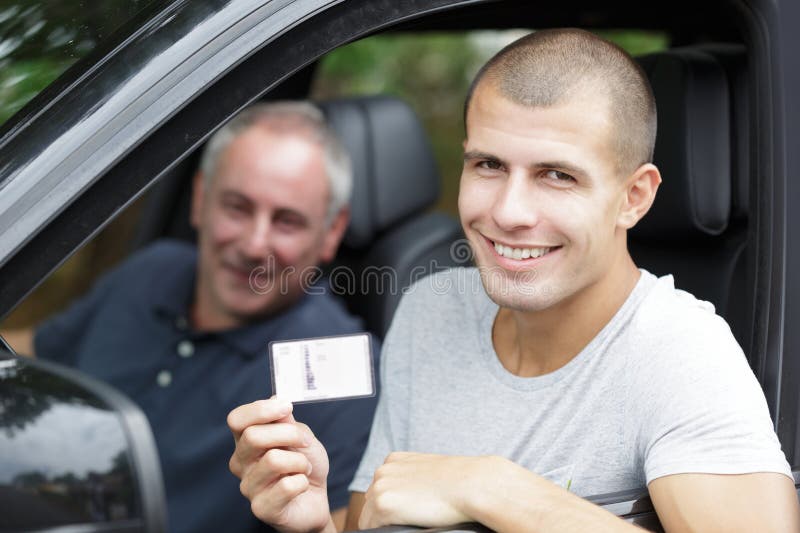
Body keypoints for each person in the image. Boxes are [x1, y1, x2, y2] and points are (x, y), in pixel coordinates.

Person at [226, 29, 800, 533]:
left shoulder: (679, 350)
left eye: (557, 175)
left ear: (634, 197)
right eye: (489, 165)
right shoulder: (430, 311)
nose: (509, 211)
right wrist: (316, 523)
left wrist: (494, 489)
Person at [1, 102, 379, 533]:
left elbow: (338, 524)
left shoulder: (342, 369)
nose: (254, 245)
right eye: (237, 207)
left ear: (332, 232)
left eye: (287, 221)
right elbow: (27, 354)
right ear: (200, 200)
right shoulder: (151, 271)